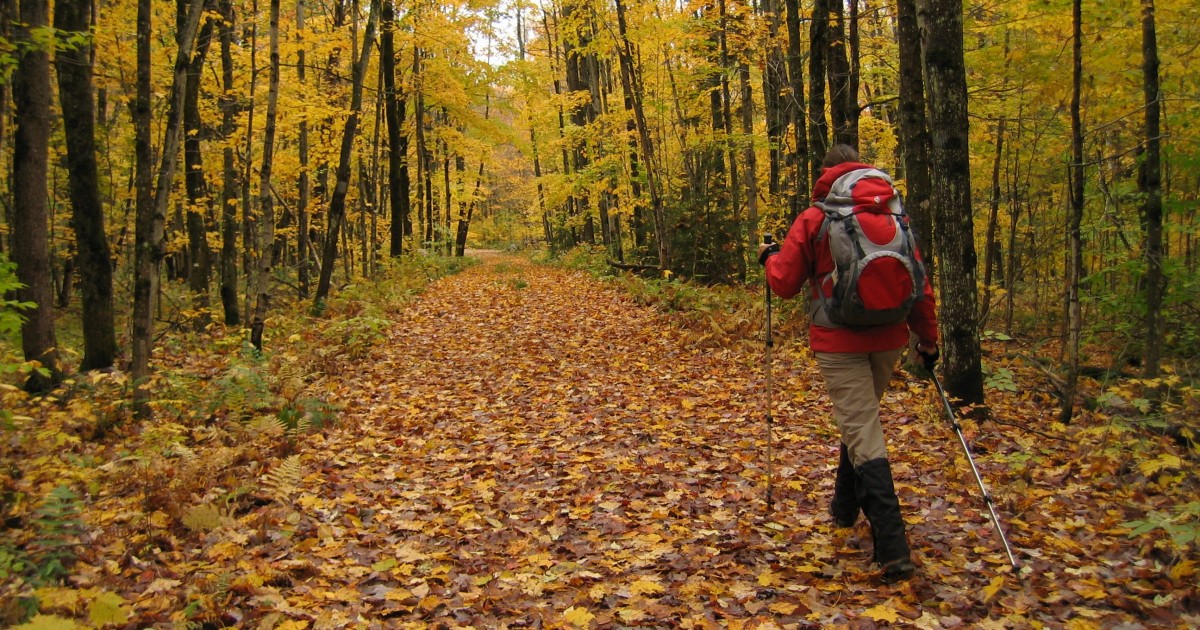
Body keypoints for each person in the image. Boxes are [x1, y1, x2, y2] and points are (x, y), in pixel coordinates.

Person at [758, 144, 939, 583]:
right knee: (860, 423)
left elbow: (783, 282)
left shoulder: (817, 217)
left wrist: (767, 257)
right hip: (890, 336)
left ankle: (894, 550)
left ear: (827, 173)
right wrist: (928, 339)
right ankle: (843, 509)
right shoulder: (895, 216)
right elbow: (919, 281)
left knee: (862, 429)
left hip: (839, 340)